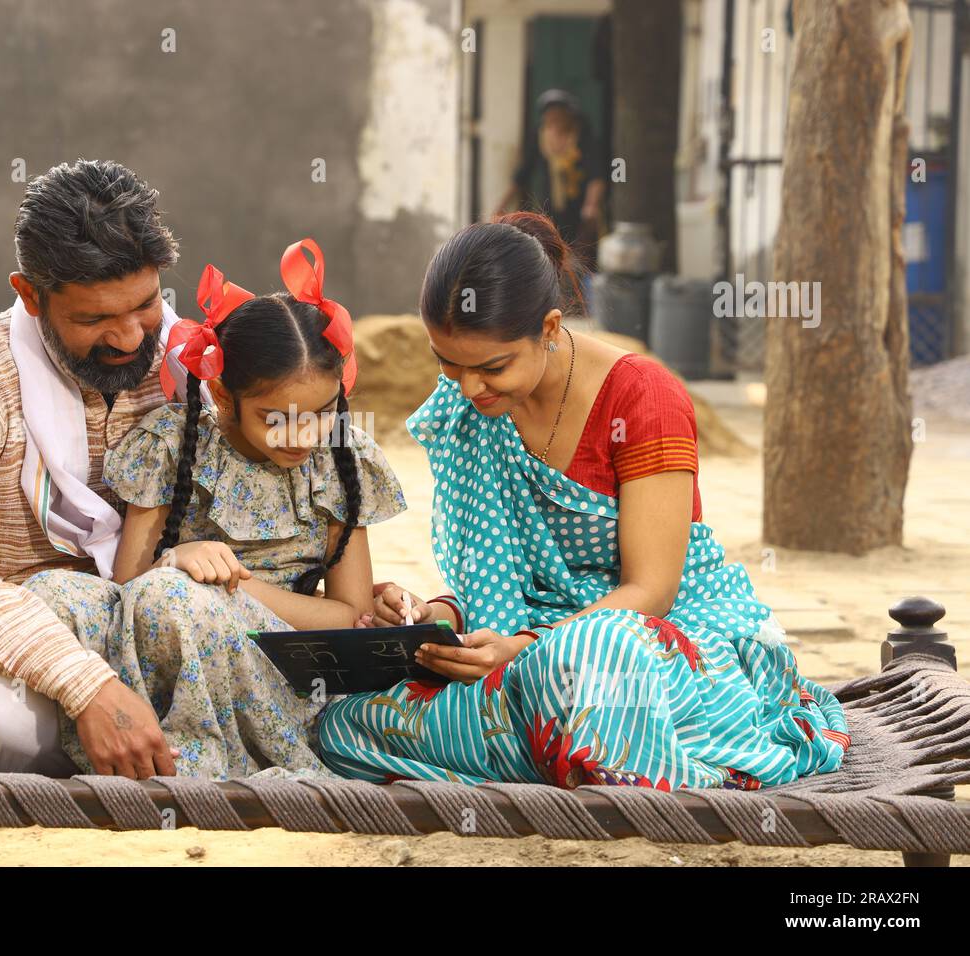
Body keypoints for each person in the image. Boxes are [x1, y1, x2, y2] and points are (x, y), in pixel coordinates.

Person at [319, 211, 850, 790]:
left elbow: (650, 591)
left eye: (492, 367)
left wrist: (526, 650)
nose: (469, 388)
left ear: (548, 328)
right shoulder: (467, 404)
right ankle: (564, 746)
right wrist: (435, 620)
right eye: (448, 362)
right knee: (347, 723)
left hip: (657, 636)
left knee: (597, 656)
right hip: (530, 642)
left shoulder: (644, 398)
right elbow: (494, 587)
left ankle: (540, 738)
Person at [23, 239, 408, 778]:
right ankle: (109, 726)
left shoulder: (341, 457)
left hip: (274, 660)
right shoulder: (173, 443)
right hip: (163, 623)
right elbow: (131, 584)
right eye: (277, 417)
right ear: (224, 398)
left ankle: (192, 762)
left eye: (322, 412)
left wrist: (230, 589)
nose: (306, 434)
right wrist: (181, 558)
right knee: (51, 593)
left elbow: (348, 618)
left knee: (176, 596)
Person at [0, 159, 211, 778]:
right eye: (93, 319)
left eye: (144, 305)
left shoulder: (200, 362)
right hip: (4, 661)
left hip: (176, 639)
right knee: (10, 726)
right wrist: (84, 684)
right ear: (29, 296)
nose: (126, 338)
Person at [496, 90, 607, 261]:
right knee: (550, 255)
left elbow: (596, 176)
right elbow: (522, 174)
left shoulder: (583, 137)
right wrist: (500, 207)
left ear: (569, 116)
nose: (554, 119)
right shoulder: (541, 137)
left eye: (559, 114)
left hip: (580, 213)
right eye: (550, 115)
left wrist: (591, 206)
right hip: (550, 210)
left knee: (581, 258)